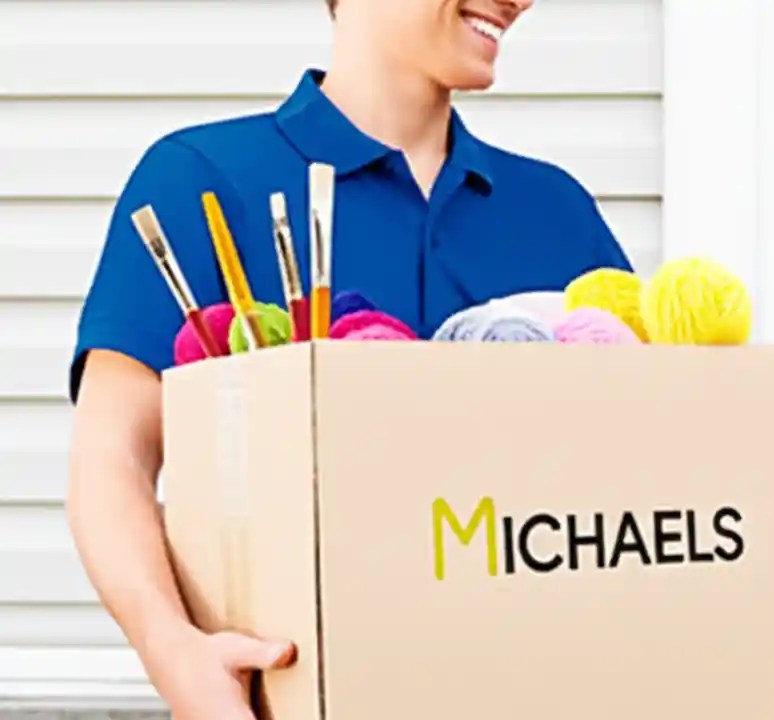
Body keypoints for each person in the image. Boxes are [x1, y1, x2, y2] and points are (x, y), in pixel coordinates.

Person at [65, 1, 630, 718]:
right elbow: (110, 461)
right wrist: (171, 648)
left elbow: (658, 465)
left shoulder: (557, 212)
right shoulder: (202, 179)